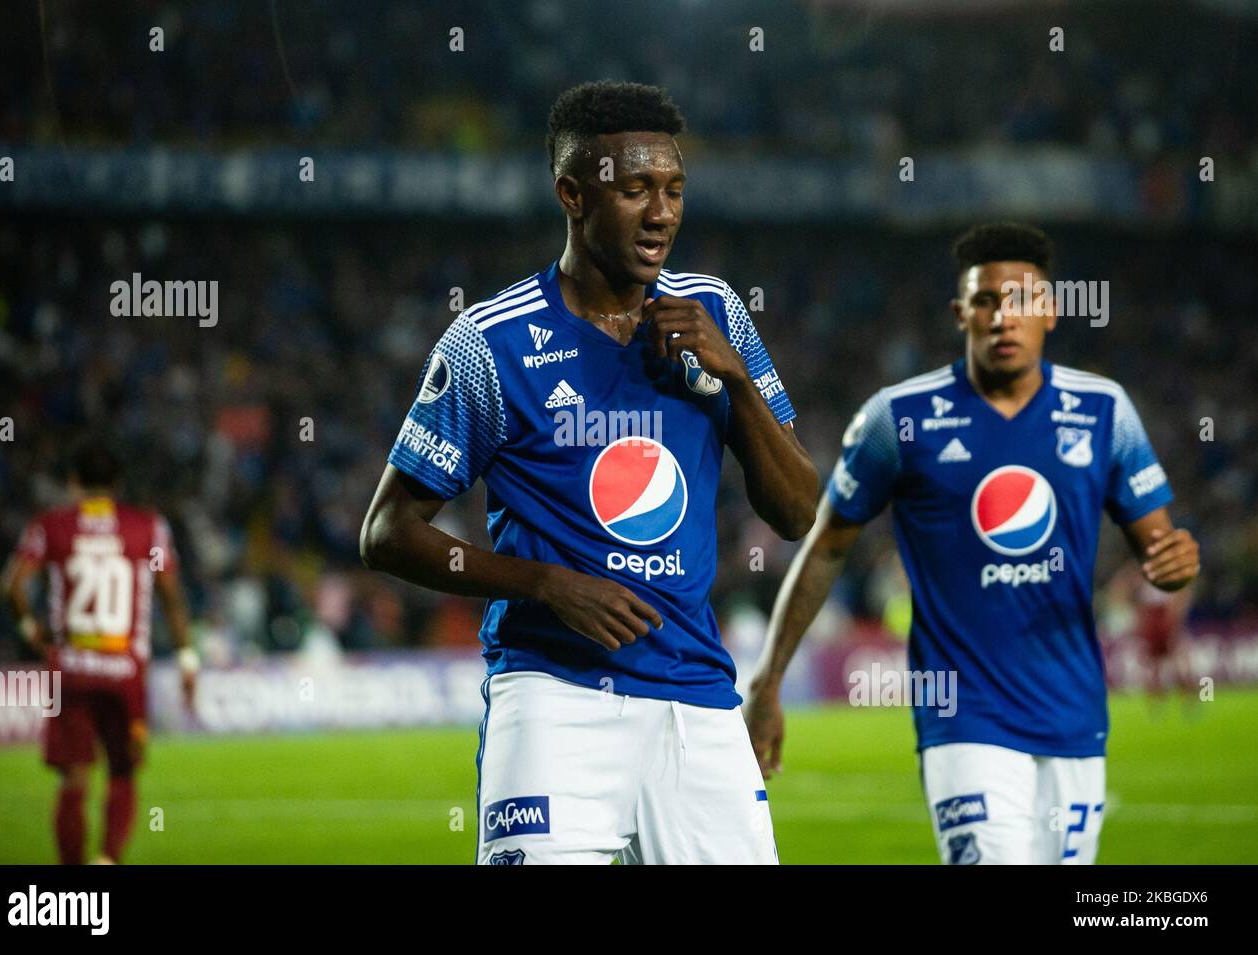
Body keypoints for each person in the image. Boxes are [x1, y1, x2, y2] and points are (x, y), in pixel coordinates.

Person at [360, 80, 817, 864]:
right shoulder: (490, 342)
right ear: (573, 193)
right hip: (551, 698)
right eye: (635, 189)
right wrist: (543, 584)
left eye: (674, 189)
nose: (663, 212)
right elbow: (387, 532)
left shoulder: (714, 312)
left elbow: (804, 512)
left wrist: (734, 377)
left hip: (695, 699)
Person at [746, 223, 1199, 864]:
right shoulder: (898, 418)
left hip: (1074, 712)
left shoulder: (1104, 412)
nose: (1002, 318)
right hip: (963, 716)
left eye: (1020, 301)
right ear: (962, 313)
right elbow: (827, 546)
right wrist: (768, 680)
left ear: (1048, 312)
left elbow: (1161, 549)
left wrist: (1177, 566)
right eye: (985, 302)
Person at [2, 437, 197, 864]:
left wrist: (29, 626)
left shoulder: (52, 526)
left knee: (74, 779)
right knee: (123, 771)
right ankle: (107, 859)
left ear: (73, 482)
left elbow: (13, 582)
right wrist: (186, 657)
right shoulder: (147, 527)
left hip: (69, 668)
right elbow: (170, 594)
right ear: (118, 483)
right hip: (124, 670)